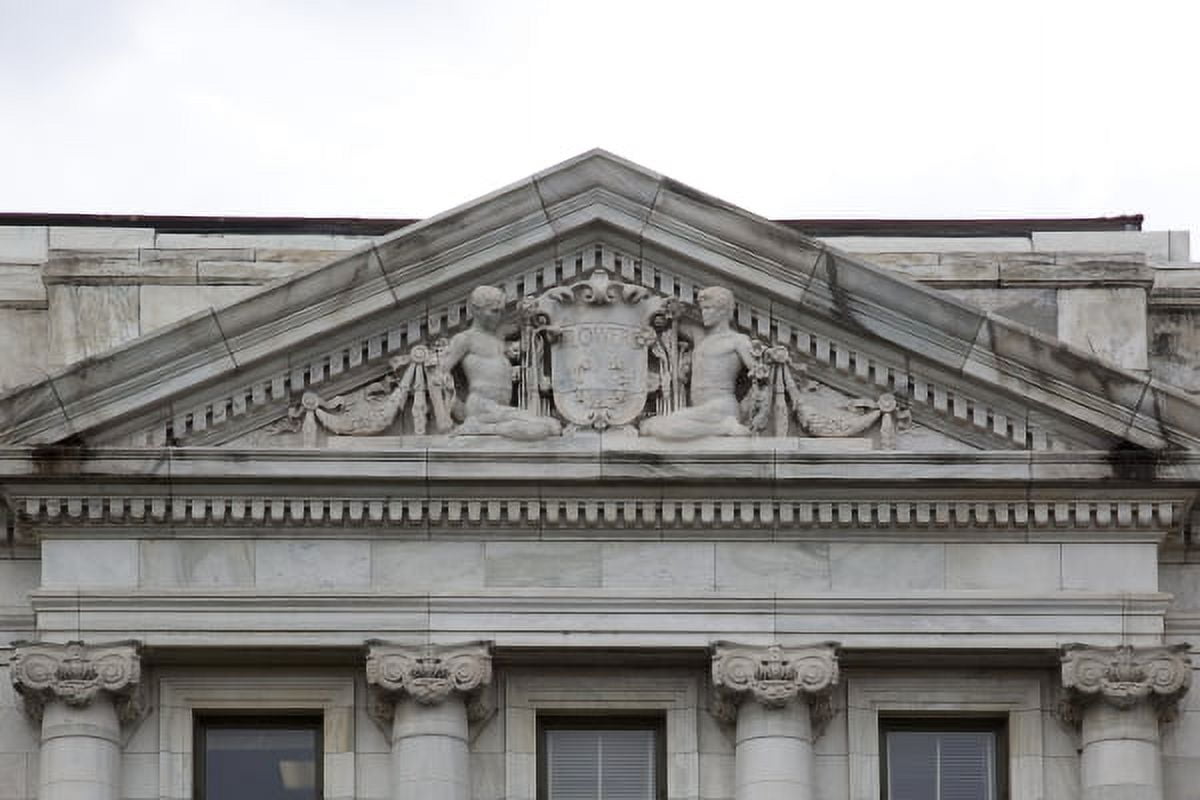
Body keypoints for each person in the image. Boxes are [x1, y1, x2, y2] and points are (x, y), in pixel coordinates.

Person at [439, 286, 561, 440]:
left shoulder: (499, 336)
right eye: (493, 311)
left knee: (554, 426)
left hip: (500, 408)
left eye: (501, 311)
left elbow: (524, 326)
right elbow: (439, 371)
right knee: (541, 429)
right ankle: (479, 428)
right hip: (482, 405)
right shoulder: (466, 339)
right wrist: (453, 404)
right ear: (475, 310)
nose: (498, 316)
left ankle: (481, 428)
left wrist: (531, 315)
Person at [639, 286, 755, 440]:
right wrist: (663, 310)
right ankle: (722, 428)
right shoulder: (699, 336)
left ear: (723, 311)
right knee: (647, 426)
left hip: (721, 407)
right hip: (700, 410)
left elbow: (759, 373)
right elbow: (672, 322)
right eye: (702, 309)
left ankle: (726, 426)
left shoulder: (737, 340)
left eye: (708, 308)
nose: (703, 313)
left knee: (658, 427)